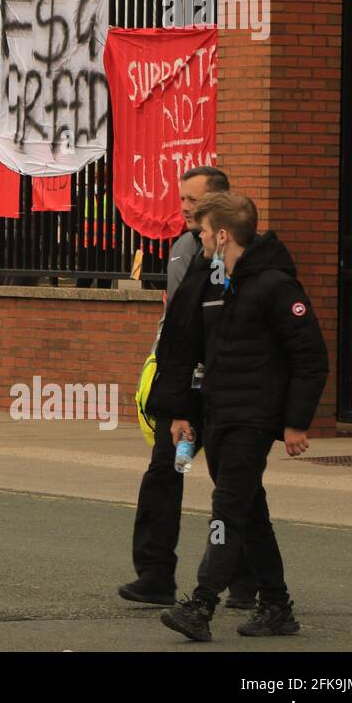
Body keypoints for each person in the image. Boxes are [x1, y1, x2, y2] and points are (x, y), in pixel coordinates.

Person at [160, 193, 329, 642]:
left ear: (222, 233)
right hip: (218, 413)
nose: (195, 233)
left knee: (227, 510)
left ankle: (200, 604)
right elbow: (190, 350)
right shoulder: (214, 284)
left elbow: (310, 357)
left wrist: (296, 422)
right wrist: (183, 412)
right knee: (250, 511)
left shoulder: (275, 285)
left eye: (202, 227)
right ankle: (276, 605)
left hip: (252, 418)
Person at [119, 167, 257, 608]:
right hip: (185, 387)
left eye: (192, 201)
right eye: (180, 199)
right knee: (164, 472)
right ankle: (156, 575)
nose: (183, 208)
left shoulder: (240, 253)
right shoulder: (183, 248)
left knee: (232, 480)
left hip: (222, 387)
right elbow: (177, 323)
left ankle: (246, 579)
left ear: (218, 203)